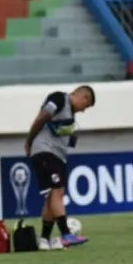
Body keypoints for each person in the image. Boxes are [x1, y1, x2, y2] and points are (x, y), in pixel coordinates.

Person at [24, 86, 94, 251]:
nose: (84, 110)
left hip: (57, 155)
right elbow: (42, 117)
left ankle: (44, 239)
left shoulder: (70, 114)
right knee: (57, 191)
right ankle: (66, 234)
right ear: (83, 96)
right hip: (46, 151)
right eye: (86, 105)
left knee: (53, 195)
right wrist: (29, 141)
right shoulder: (59, 99)